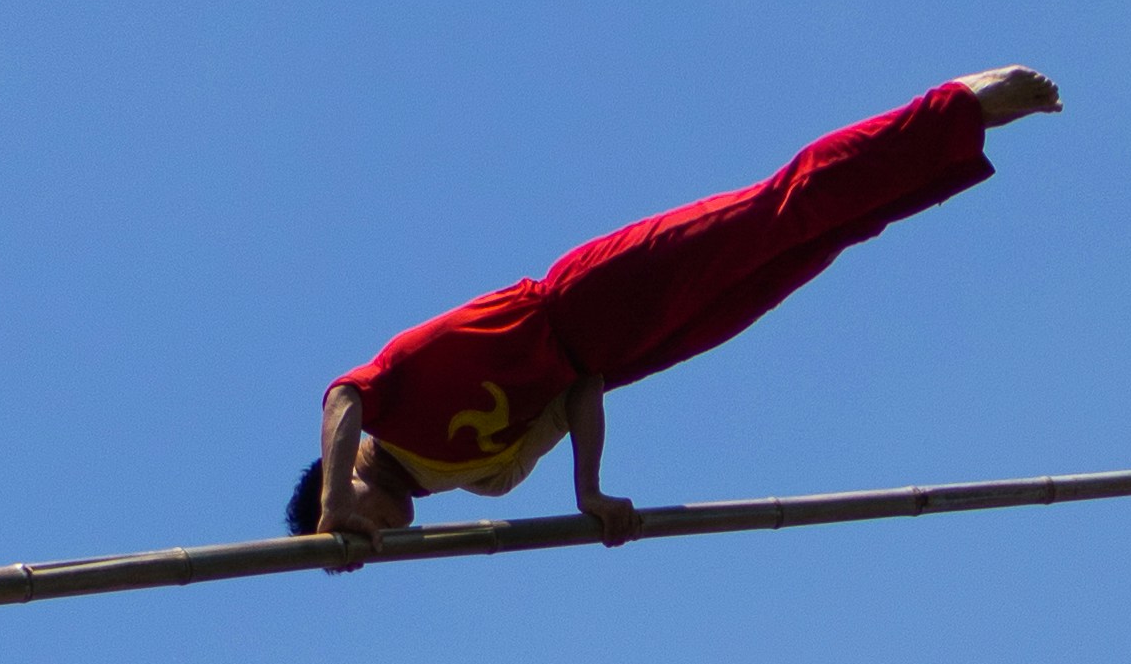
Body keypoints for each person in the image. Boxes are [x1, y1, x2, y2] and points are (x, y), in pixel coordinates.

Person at [289, 67, 1060, 543]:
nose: (369, 535)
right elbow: (578, 390)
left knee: (778, 211)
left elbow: (342, 393)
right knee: (809, 247)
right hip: (621, 355)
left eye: (348, 524)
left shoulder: (386, 415)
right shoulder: (485, 479)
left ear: (335, 481)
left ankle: (958, 106)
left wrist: (331, 504)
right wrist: (590, 490)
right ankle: (949, 150)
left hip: (582, 300)